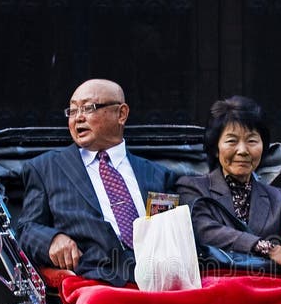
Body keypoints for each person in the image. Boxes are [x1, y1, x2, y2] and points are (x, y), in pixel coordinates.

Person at [17, 78, 179, 284]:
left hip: (156, 279)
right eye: (72, 111)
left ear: (121, 114)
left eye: (88, 108)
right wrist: (52, 239)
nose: (78, 118)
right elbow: (26, 229)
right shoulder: (46, 168)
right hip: (94, 279)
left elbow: (169, 234)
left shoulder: (158, 175)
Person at [177, 96, 281, 282]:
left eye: (252, 141)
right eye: (232, 141)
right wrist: (268, 248)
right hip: (214, 292)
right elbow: (205, 231)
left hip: (265, 294)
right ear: (215, 148)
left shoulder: (275, 198)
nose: (243, 150)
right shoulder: (192, 188)